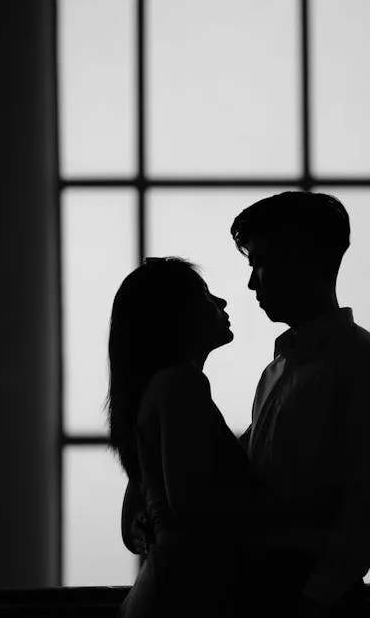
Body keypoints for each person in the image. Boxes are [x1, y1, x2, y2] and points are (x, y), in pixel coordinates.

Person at [231, 191, 370, 617]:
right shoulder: (277, 372)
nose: (252, 282)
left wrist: (314, 600)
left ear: (300, 259)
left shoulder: (358, 360)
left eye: (260, 263)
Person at [109, 257, 259, 618]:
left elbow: (140, 510)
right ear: (178, 316)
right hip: (184, 593)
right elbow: (192, 506)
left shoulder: (159, 389)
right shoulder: (181, 383)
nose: (222, 303)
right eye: (207, 297)